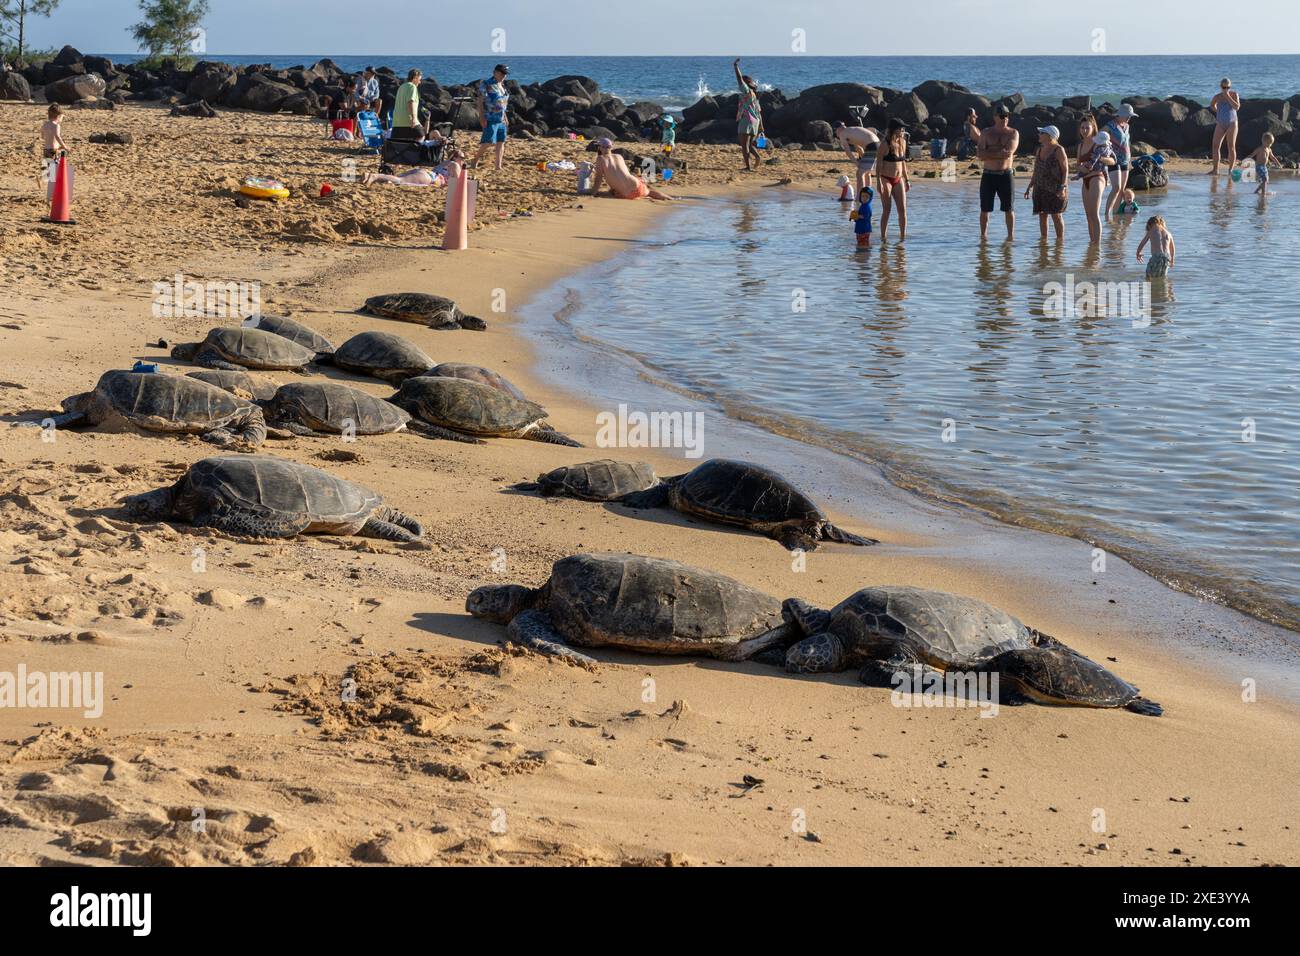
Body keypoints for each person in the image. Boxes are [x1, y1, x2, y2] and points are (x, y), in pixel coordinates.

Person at [965, 104, 1019, 240]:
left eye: (1006, 115)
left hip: (1006, 174)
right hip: (989, 175)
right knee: (985, 209)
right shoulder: (986, 132)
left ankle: (1010, 237)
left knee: (1009, 208)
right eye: (1001, 116)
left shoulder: (1013, 133)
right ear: (995, 117)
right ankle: (983, 237)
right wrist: (998, 151)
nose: (1004, 118)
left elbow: (1008, 153)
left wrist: (989, 151)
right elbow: (980, 155)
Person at [589, 138, 674, 200]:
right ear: (611, 147)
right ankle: (670, 199)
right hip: (636, 186)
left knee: (610, 192)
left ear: (599, 147)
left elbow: (598, 178)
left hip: (626, 195)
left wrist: (593, 193)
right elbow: (624, 173)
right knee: (649, 191)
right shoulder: (619, 156)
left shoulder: (600, 159)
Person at [1024, 125, 1068, 241]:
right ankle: (1043, 243)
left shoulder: (1058, 150)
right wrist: (1029, 187)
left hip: (1056, 189)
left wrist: (1063, 187)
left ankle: (1060, 244)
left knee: (1056, 216)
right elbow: (1036, 170)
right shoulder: (1039, 150)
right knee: (1042, 215)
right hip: (1040, 188)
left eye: (1042, 133)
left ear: (1050, 136)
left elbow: (1065, 170)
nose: (1039, 135)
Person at [1075, 115, 1113, 244]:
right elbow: (1078, 164)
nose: (1084, 130)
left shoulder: (1099, 142)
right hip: (1085, 179)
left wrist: (1100, 158)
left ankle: (1097, 247)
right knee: (1088, 215)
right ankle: (1092, 244)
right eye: (1082, 128)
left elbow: (1113, 160)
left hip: (1097, 177)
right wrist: (1080, 167)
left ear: (1093, 128)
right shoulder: (1080, 146)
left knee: (1095, 214)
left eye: (1087, 128)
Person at [876, 119, 910, 242]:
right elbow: (879, 164)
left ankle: (902, 238)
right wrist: (879, 182)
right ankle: (883, 238)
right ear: (894, 130)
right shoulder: (884, 144)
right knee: (887, 209)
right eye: (901, 129)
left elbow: (903, 163)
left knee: (902, 210)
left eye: (903, 129)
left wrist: (907, 180)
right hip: (886, 179)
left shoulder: (903, 142)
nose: (903, 131)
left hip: (898, 179)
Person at [473, 64, 510, 172]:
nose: (504, 76)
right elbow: (480, 101)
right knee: (488, 142)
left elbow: (503, 103)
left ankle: (498, 166)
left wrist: (506, 116)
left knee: (501, 141)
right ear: (495, 72)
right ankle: (475, 160)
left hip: (502, 118)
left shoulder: (502, 85)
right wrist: (481, 117)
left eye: (505, 74)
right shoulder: (486, 84)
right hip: (490, 117)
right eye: (502, 73)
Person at [1103, 103, 1137, 218]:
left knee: (1122, 190)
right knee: (1116, 188)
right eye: (1127, 115)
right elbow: (1099, 137)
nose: (1129, 117)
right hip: (1114, 159)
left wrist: (1130, 159)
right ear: (1120, 114)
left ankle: (1117, 214)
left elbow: (1127, 143)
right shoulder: (1110, 125)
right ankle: (1107, 213)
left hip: (1125, 160)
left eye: (1130, 115)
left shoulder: (1127, 126)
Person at [733, 58, 765, 171]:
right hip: (755, 122)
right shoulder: (755, 96)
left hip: (746, 121)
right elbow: (759, 113)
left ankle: (748, 167)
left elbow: (739, 80)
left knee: (744, 146)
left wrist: (735, 66)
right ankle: (757, 157)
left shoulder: (746, 92)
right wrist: (761, 126)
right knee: (750, 145)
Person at [835, 122, 881, 196]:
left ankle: (859, 198)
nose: (836, 133)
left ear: (838, 129)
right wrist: (863, 160)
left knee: (860, 173)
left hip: (871, 146)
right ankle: (868, 195)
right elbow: (859, 148)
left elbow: (848, 152)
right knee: (867, 172)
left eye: (835, 131)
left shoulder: (842, 134)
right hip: (878, 144)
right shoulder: (852, 131)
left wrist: (857, 164)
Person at [1209, 78, 1241, 176]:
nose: (1226, 89)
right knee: (1215, 145)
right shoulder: (1217, 97)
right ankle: (1215, 169)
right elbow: (1212, 105)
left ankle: (1230, 170)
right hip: (1221, 123)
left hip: (1232, 123)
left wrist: (1227, 96)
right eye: (1224, 87)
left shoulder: (1234, 95)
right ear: (1221, 87)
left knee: (1231, 146)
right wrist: (1218, 111)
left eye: (1228, 87)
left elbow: (1237, 107)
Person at [391, 69, 424, 140]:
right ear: (415, 77)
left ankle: (408, 150)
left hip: (396, 122)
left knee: (401, 143)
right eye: (419, 79)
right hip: (407, 121)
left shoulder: (401, 87)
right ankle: (415, 151)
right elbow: (410, 102)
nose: (420, 82)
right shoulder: (412, 86)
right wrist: (414, 119)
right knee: (421, 136)